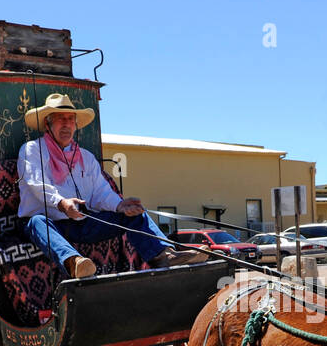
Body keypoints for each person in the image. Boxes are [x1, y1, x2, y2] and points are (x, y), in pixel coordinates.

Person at [17, 93, 204, 278]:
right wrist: (62, 203)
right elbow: (37, 184)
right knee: (36, 222)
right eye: (59, 119)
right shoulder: (32, 150)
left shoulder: (86, 157)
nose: (66, 124)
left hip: (83, 222)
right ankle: (74, 263)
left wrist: (120, 205)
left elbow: (100, 192)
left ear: (75, 125)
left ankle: (164, 256)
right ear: (48, 124)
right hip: (51, 224)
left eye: (70, 119)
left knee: (135, 214)